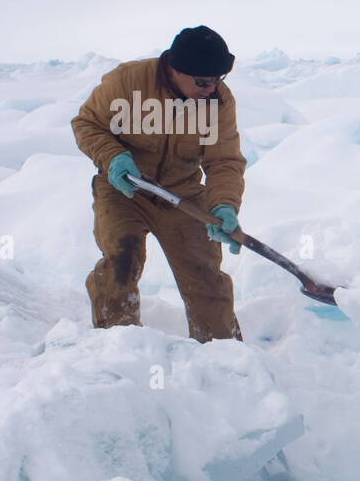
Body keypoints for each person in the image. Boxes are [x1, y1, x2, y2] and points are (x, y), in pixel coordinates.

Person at [72, 26, 246, 342]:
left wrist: (224, 204)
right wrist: (112, 156)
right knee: (121, 262)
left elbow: (224, 161)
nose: (212, 88)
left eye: (219, 79)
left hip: (183, 192)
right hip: (125, 188)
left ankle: (224, 357)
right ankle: (119, 346)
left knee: (205, 277)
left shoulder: (217, 101)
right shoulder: (128, 81)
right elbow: (87, 124)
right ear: (176, 69)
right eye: (204, 82)